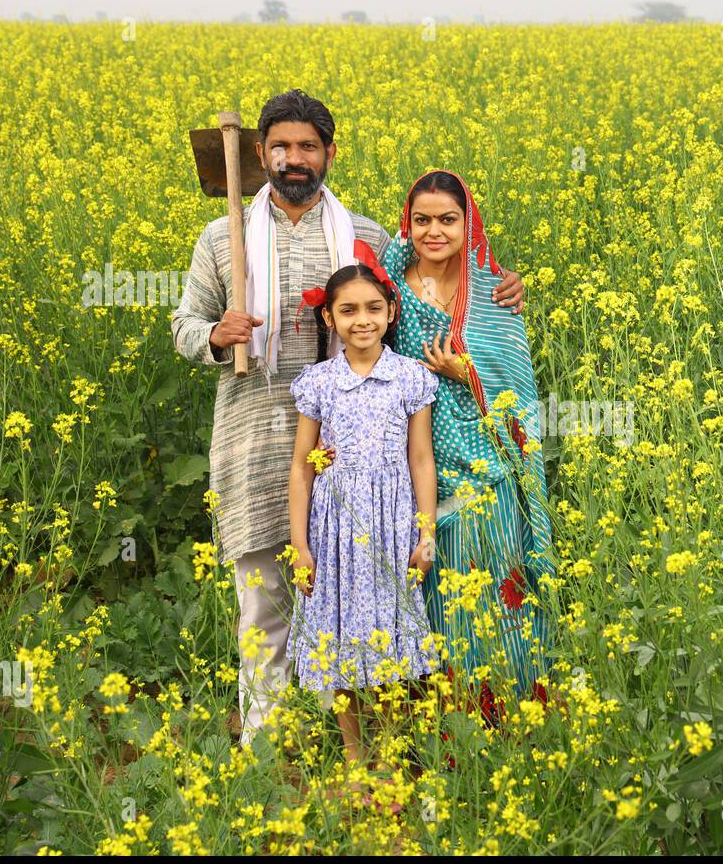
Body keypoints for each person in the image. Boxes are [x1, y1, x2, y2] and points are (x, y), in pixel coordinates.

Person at [170, 89, 524, 746]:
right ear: (260, 154)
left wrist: (500, 287)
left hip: (360, 459)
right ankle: (265, 747)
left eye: (307, 146)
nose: (293, 158)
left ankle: (366, 746)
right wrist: (217, 334)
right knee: (265, 604)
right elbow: (183, 328)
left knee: (366, 595)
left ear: (330, 153)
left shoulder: (366, 239)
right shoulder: (223, 238)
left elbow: (424, 291)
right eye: (280, 147)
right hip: (254, 442)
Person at [383, 170, 557, 723]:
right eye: (422, 220)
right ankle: (447, 727)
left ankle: (511, 715)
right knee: (437, 599)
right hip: (414, 464)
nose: (434, 231)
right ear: (407, 223)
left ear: (469, 222)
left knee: (497, 592)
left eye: (448, 220)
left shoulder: (491, 289)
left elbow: (517, 383)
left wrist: (468, 373)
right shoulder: (388, 278)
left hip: (488, 467)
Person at [286, 240, 439, 799]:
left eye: (373, 308)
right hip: (333, 529)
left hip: (393, 521)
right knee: (342, 643)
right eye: (347, 310)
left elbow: (420, 459)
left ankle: (394, 751)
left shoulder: (411, 379)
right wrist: (299, 546)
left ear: (391, 311)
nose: (362, 320)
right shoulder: (318, 382)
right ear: (329, 317)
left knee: (392, 644)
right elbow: (302, 469)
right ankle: (354, 757)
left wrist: (426, 532)